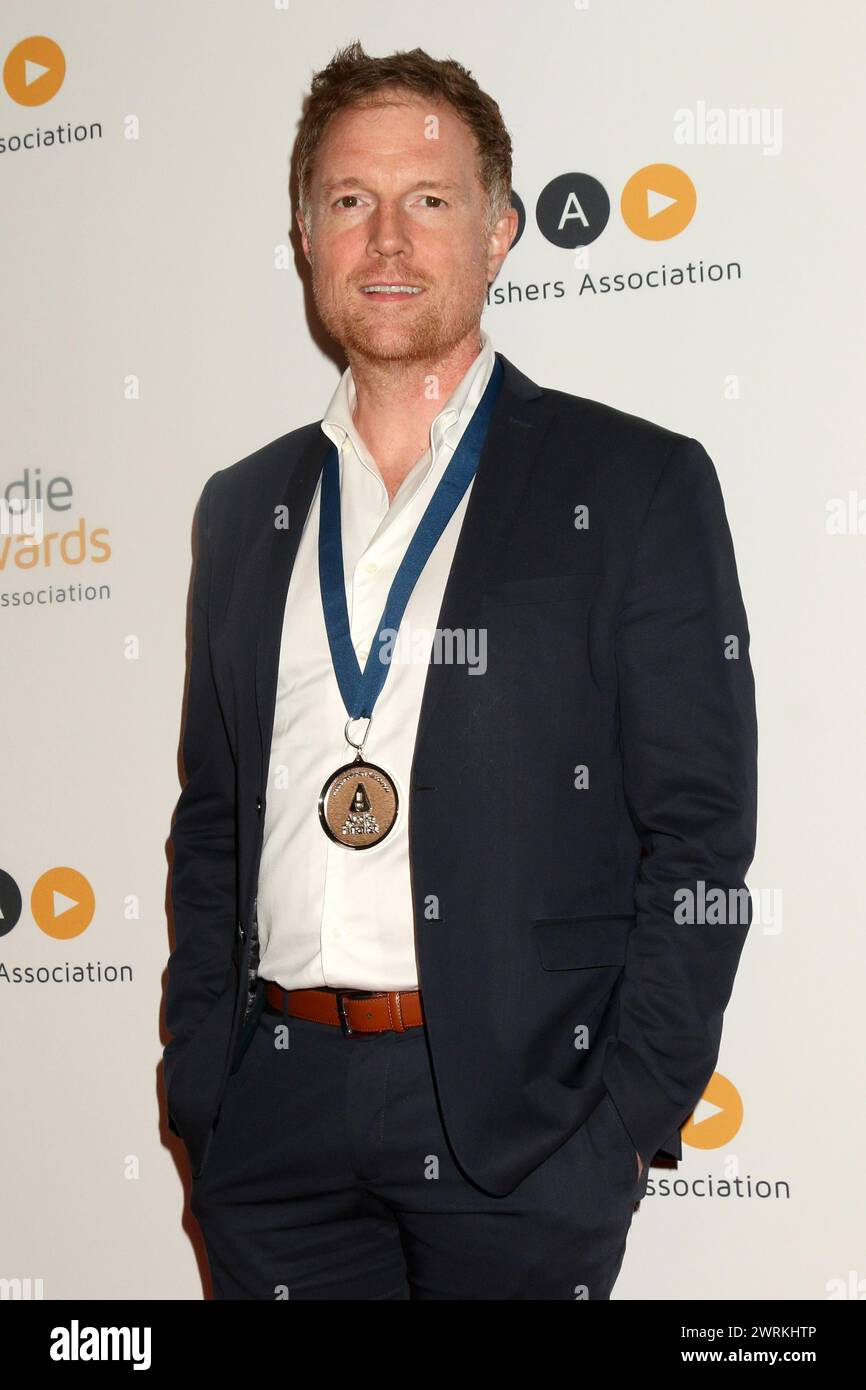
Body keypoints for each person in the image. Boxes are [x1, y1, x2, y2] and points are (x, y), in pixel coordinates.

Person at [162, 41, 758, 1300]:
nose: (386, 240)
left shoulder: (633, 484)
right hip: (273, 1117)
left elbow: (698, 836)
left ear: (497, 232)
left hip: (519, 1128)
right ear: (304, 237)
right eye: (348, 201)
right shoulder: (241, 509)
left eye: (428, 201)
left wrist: (614, 1126)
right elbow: (214, 816)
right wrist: (201, 1086)